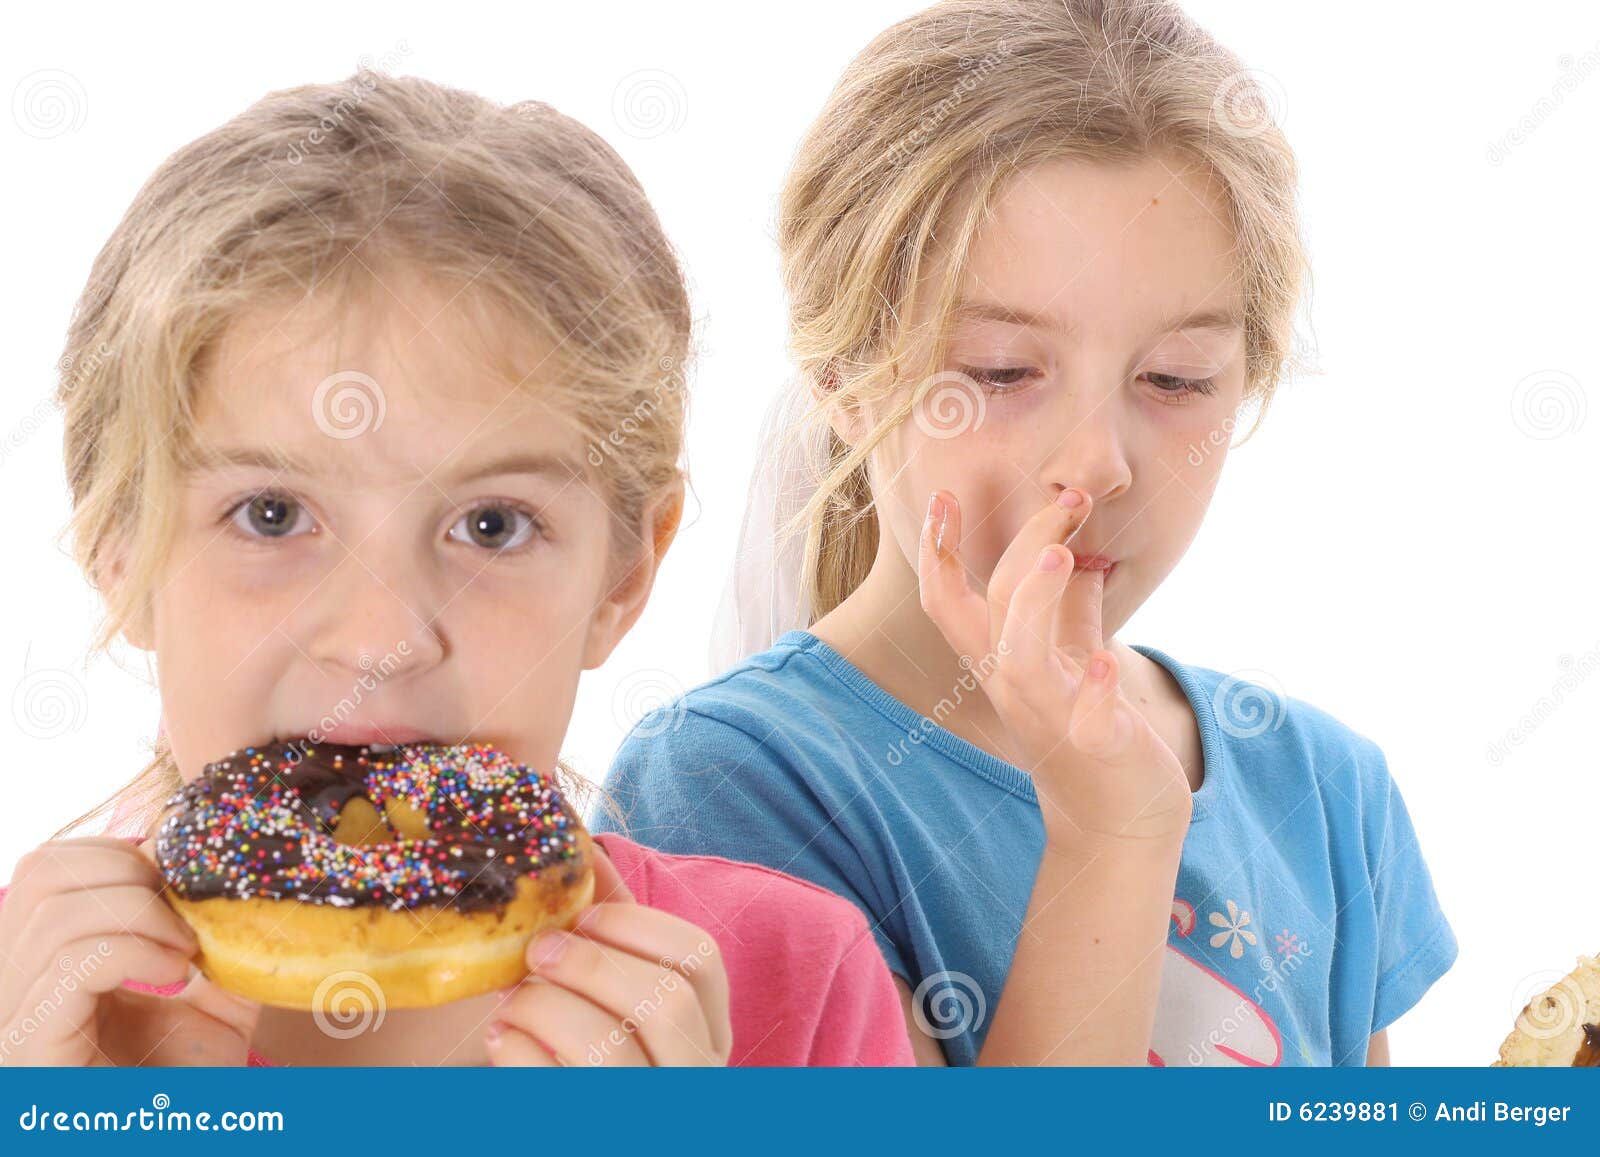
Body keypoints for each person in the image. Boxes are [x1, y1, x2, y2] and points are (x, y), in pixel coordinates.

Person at [596, 0, 1457, 1066]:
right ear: (844, 384)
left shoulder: (1326, 790)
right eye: (1001, 371)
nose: (1096, 462)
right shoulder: (735, 781)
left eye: (1175, 379)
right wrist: (1111, 832)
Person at [0, 73, 912, 1068]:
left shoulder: (794, 973)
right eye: (272, 514)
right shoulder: (32, 1002)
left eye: (490, 524)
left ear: (624, 574)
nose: (383, 636)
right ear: (118, 546)